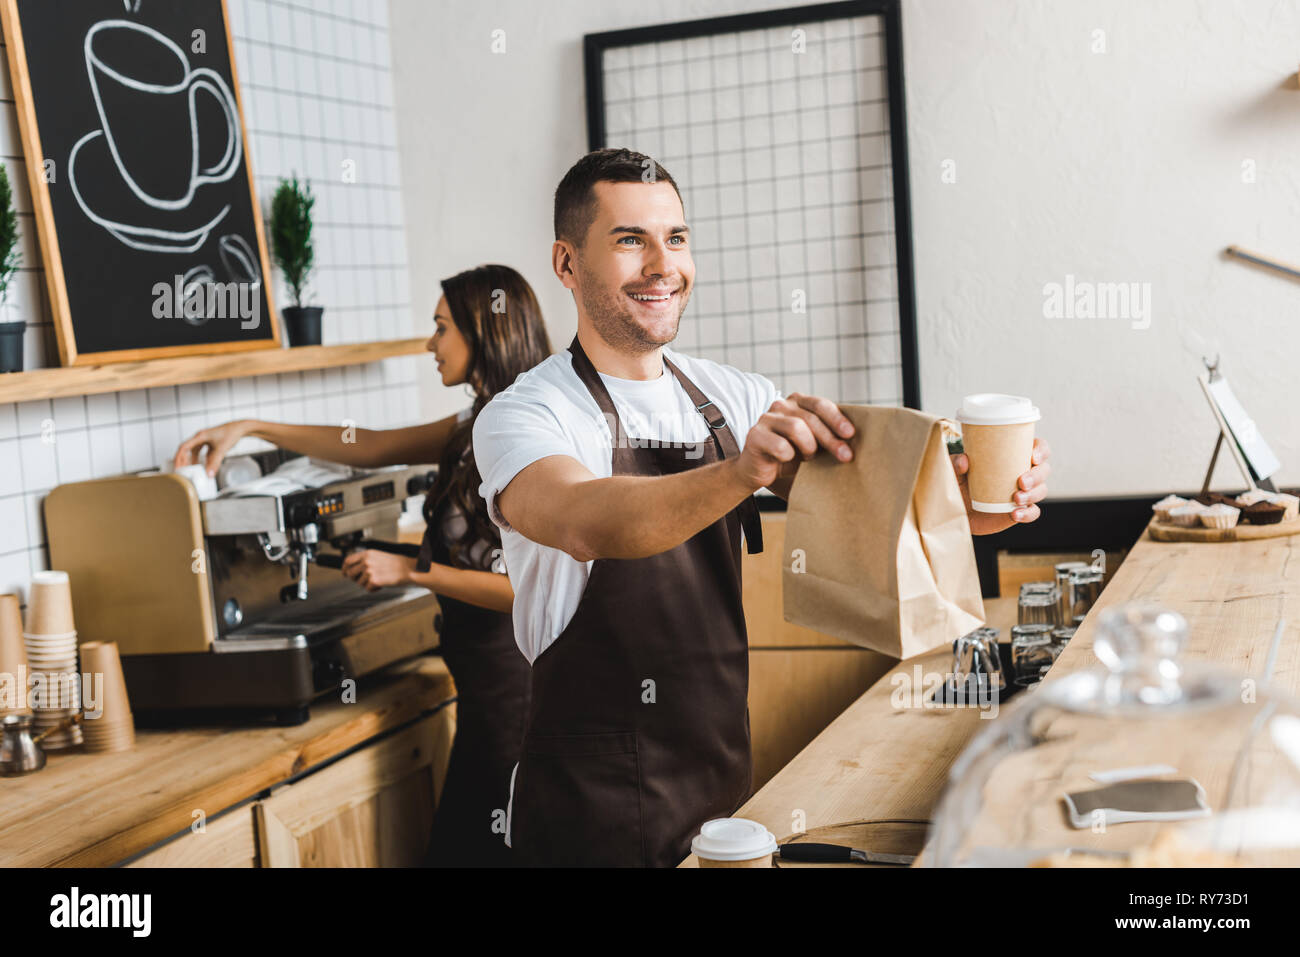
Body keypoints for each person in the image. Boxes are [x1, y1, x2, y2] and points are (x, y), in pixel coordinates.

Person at [471, 149, 1052, 867]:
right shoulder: (524, 412)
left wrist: (983, 500)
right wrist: (740, 470)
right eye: (630, 240)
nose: (663, 264)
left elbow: (876, 506)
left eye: (676, 238)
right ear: (566, 263)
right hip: (583, 818)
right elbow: (586, 518)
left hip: (722, 797)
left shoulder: (729, 397)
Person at [173, 264, 552, 867]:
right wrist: (252, 426)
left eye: (441, 328)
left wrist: (410, 573)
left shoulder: (523, 429)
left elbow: (527, 588)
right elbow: (369, 445)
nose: (430, 344)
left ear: (484, 331)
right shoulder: (477, 421)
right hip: (486, 694)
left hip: (517, 697)